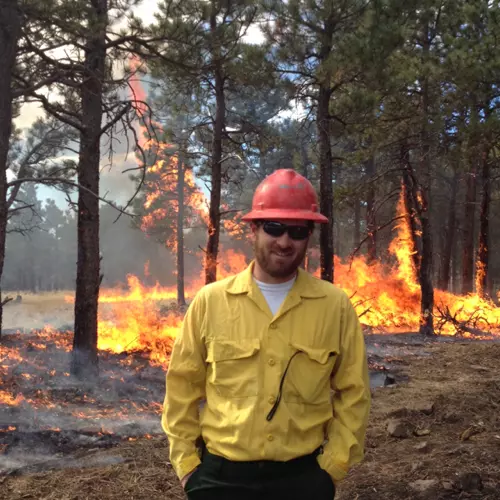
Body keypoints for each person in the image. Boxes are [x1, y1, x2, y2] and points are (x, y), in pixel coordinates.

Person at [162, 169, 371, 500]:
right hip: (220, 479)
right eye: (273, 227)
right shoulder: (211, 302)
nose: (285, 241)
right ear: (254, 230)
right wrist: (189, 469)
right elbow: (181, 389)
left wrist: (331, 470)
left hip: (303, 478)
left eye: (297, 231)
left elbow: (354, 393)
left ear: (309, 236)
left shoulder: (335, 307)